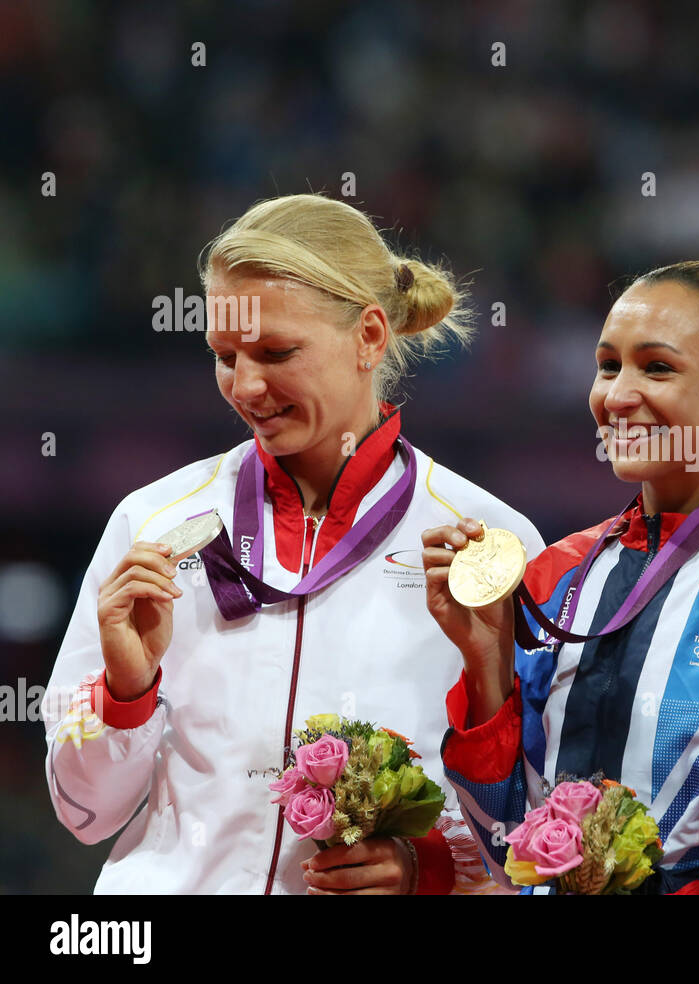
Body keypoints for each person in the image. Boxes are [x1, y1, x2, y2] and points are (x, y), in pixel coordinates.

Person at [43, 193, 544, 894]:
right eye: (225, 355)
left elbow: (532, 828)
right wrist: (126, 694)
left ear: (371, 336)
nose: (246, 386)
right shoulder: (151, 522)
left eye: (277, 352)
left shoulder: (488, 543)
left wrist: (423, 870)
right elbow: (84, 813)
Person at [424, 261, 699, 894]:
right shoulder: (556, 577)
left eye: (657, 367)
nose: (617, 396)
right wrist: (486, 663)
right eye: (607, 365)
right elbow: (504, 853)